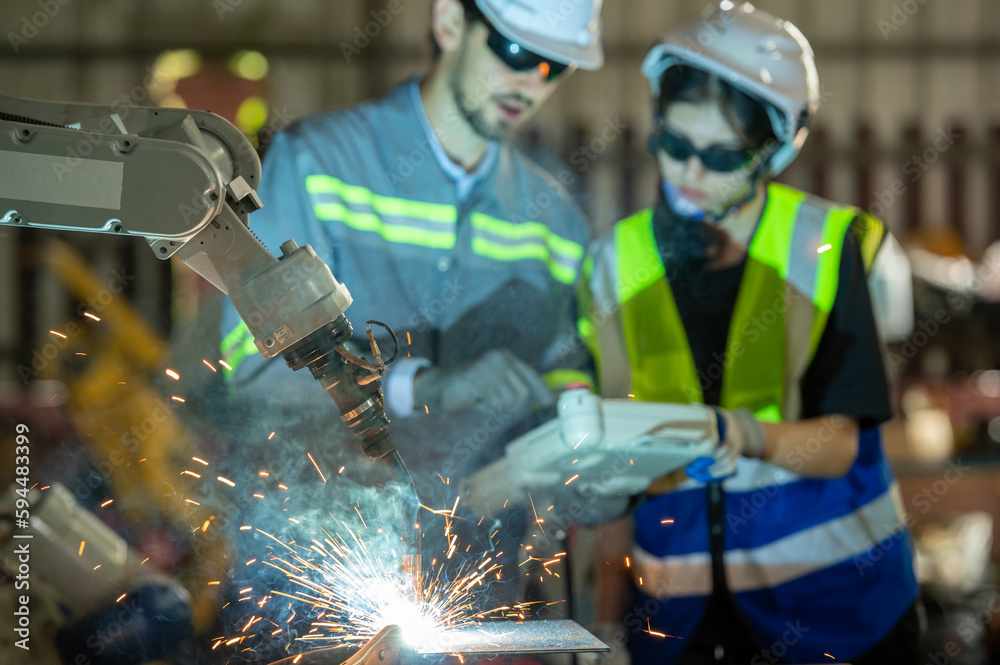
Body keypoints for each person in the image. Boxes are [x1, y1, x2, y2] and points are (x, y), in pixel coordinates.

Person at [215, 0, 602, 597]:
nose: (532, 82)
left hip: (478, 581)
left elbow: (565, 382)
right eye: (517, 52)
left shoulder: (556, 223)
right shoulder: (317, 164)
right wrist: (420, 386)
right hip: (314, 575)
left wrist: (590, 446)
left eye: (556, 66)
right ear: (450, 21)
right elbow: (253, 361)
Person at [578, 3, 920, 664]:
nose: (689, 172)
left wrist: (738, 434)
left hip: (837, 615)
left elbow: (841, 445)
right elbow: (614, 460)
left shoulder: (826, 248)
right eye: (674, 144)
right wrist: (606, 627)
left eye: (721, 156)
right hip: (678, 622)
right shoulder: (613, 260)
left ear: (775, 150)